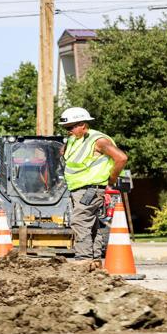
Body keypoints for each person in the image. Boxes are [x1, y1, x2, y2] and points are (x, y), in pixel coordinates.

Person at [59, 106, 128, 263]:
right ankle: (95, 262)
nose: (68, 131)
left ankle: (84, 261)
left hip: (90, 190)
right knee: (92, 225)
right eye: (65, 128)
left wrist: (111, 181)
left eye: (70, 127)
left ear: (82, 125)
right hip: (79, 190)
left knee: (79, 221)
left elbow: (121, 158)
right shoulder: (74, 140)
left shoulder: (98, 141)